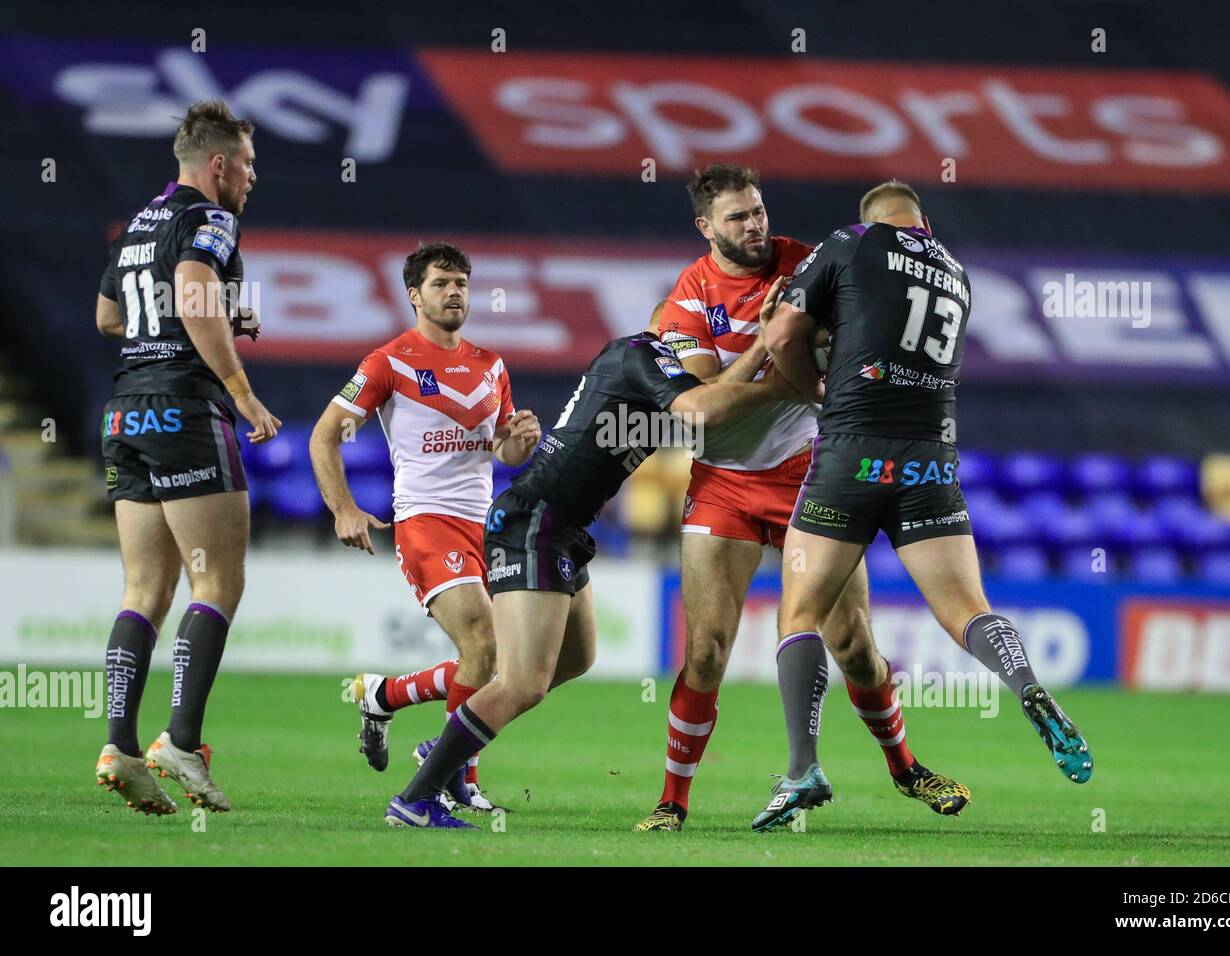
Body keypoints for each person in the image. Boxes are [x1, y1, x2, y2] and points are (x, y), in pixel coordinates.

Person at [384, 284, 798, 829]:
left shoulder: (661, 373)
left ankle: (454, 736)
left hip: (565, 526)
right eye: (692, 337)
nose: (699, 348)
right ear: (673, 329)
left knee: (577, 657)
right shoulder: (641, 352)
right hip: (535, 519)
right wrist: (776, 367)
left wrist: (763, 355)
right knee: (524, 682)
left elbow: (711, 394)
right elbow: (703, 408)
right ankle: (415, 798)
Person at [636, 164, 968, 833]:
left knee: (854, 644)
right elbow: (707, 413)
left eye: (758, 210)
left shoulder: (812, 259)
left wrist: (802, 366)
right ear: (706, 228)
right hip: (724, 484)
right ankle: (672, 801)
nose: (755, 225)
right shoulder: (685, 302)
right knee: (705, 650)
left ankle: (905, 768)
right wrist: (779, 354)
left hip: (813, 477)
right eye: (738, 217)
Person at [760, 180, 1092, 829]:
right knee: (969, 611)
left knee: (800, 610)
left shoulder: (850, 244)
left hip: (851, 454)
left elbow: (779, 337)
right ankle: (1028, 687)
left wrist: (820, 391)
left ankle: (803, 767)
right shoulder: (957, 274)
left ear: (870, 219)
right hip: (930, 460)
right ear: (923, 222)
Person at [95, 100, 279, 815]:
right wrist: (244, 393)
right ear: (219, 165)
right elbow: (196, 300)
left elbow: (109, 317)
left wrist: (218, 310)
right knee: (219, 584)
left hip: (124, 409)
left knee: (143, 590)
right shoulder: (212, 218)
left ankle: (118, 743)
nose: (253, 180)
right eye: (250, 165)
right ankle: (180, 742)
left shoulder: (139, 222)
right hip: (183, 407)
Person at [310, 242, 539, 812]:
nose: (455, 291)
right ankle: (456, 784)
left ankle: (383, 697)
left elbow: (503, 453)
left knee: (493, 662)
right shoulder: (388, 361)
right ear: (415, 295)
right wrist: (343, 506)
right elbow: (324, 434)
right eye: (441, 283)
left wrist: (519, 441)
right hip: (425, 521)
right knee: (483, 646)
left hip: (484, 525)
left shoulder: (492, 365)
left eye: (462, 281)